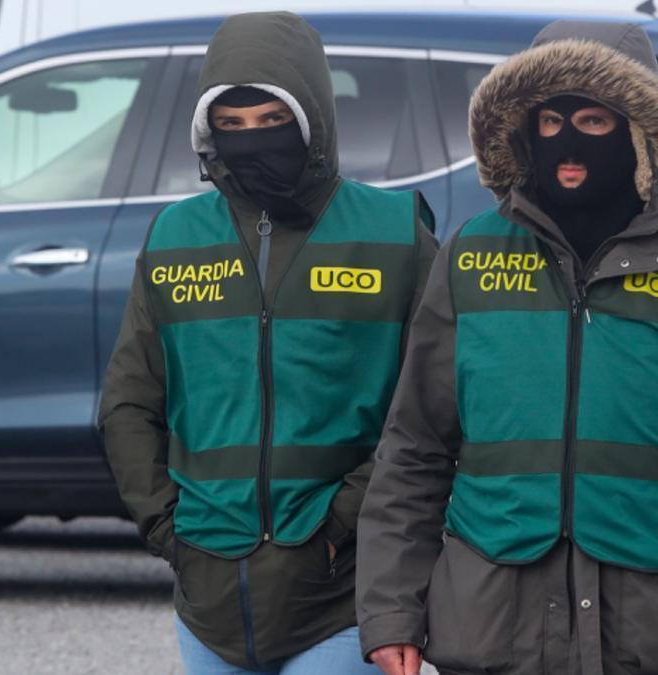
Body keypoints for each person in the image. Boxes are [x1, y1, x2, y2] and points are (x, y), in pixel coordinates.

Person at [356, 20, 658, 675]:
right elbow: (413, 452)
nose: (568, 144)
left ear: (641, 132)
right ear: (521, 130)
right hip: (493, 636)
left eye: (595, 123)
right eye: (549, 123)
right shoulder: (468, 255)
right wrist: (393, 610)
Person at [98, 11, 437, 674]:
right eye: (232, 125)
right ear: (209, 131)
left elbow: (432, 403)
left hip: (341, 596)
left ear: (312, 118)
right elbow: (129, 403)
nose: (253, 140)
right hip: (209, 599)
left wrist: (344, 518)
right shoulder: (175, 237)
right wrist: (168, 528)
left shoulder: (394, 232)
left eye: (272, 121)